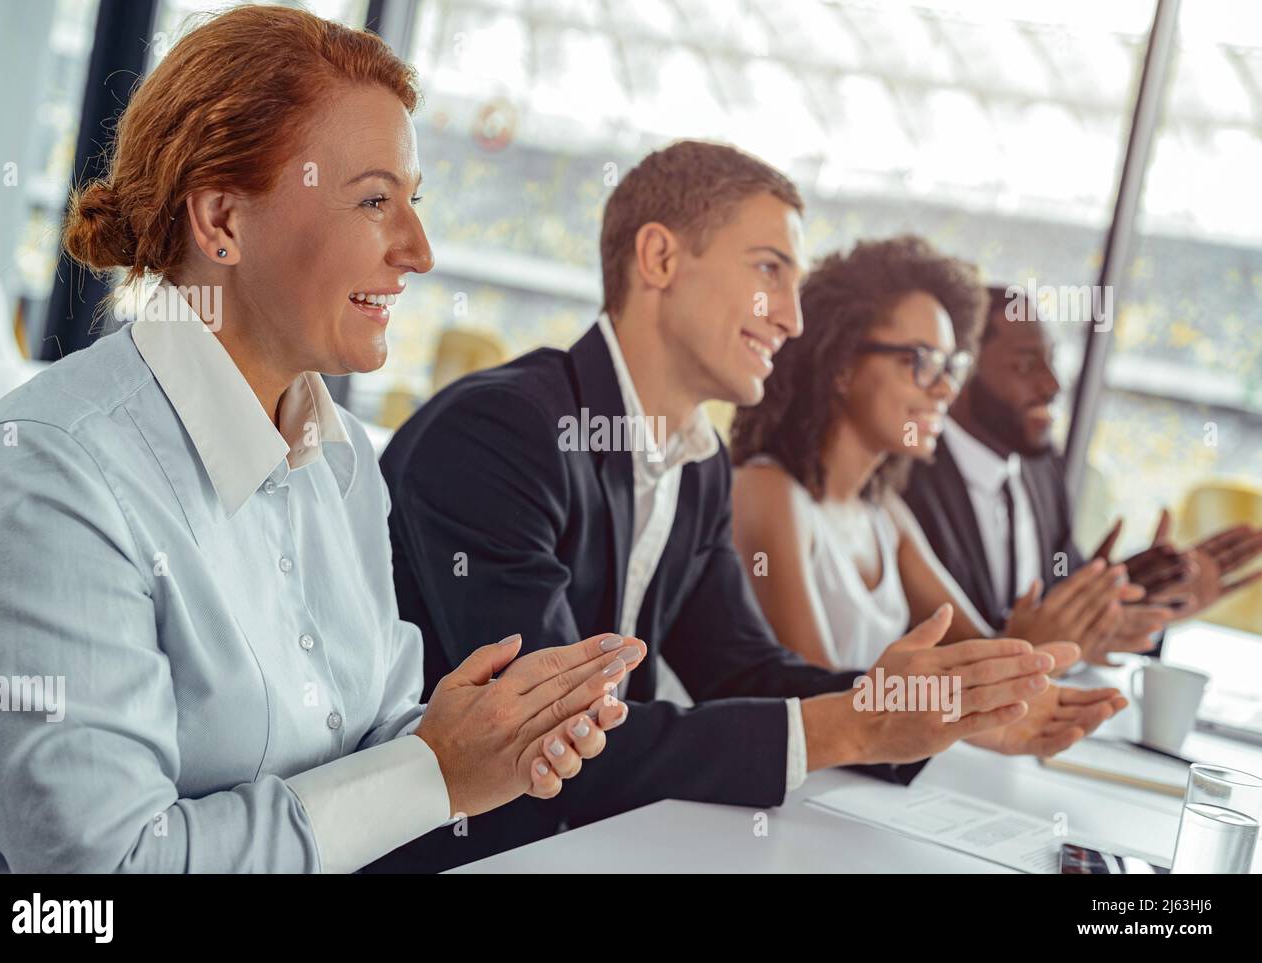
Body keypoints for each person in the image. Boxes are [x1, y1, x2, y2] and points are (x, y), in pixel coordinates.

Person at [0, 4, 645, 874]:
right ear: (221, 223)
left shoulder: (346, 458)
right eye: (373, 200)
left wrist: (490, 743)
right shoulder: (55, 476)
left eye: (414, 202)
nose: (419, 249)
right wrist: (430, 770)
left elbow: (370, 742)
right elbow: (104, 875)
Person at [375, 141, 1115, 872]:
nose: (793, 318)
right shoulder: (503, 433)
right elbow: (557, 733)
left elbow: (743, 669)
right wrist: (855, 727)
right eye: (769, 269)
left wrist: (935, 706)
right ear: (660, 259)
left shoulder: (698, 468)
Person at [726, 236, 1137, 730]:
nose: (944, 389)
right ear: (840, 366)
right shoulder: (769, 493)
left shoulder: (884, 515)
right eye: (919, 361)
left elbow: (977, 652)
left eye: (951, 366)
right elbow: (818, 703)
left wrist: (1044, 643)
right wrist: (1021, 651)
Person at [902, 285, 1262, 660]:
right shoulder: (907, 479)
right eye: (1025, 365)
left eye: (1050, 360)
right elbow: (930, 650)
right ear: (958, 375)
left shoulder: (1041, 469)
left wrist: (1146, 590)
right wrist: (1036, 651)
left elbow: (1062, 605)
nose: (1052, 385)